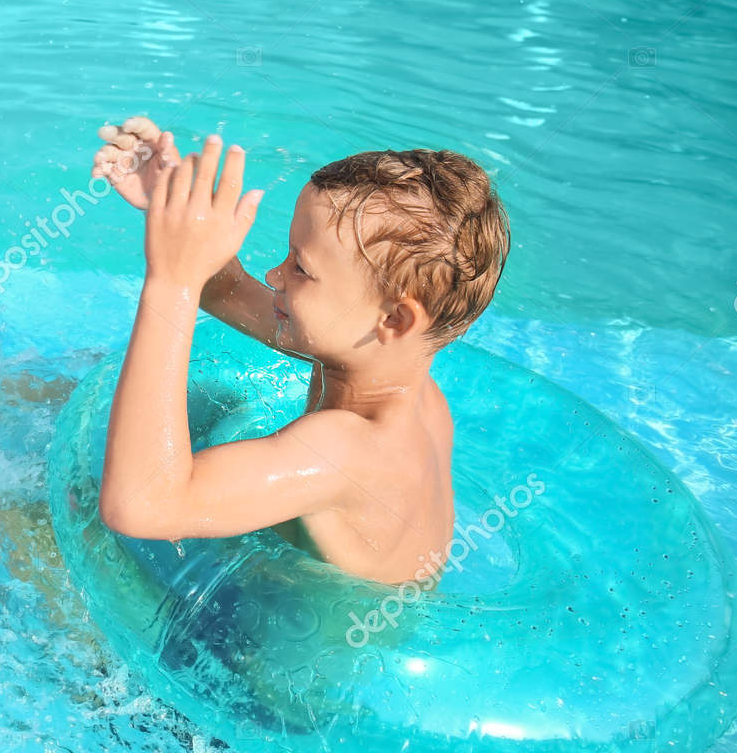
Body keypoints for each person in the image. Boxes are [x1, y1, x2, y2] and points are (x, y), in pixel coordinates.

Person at [92, 116, 509, 585]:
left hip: (274, 644)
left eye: (301, 269)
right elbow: (226, 289)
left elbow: (141, 506)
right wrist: (171, 211)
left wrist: (170, 279)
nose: (274, 274)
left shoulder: (345, 450)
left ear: (394, 318)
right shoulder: (408, 386)